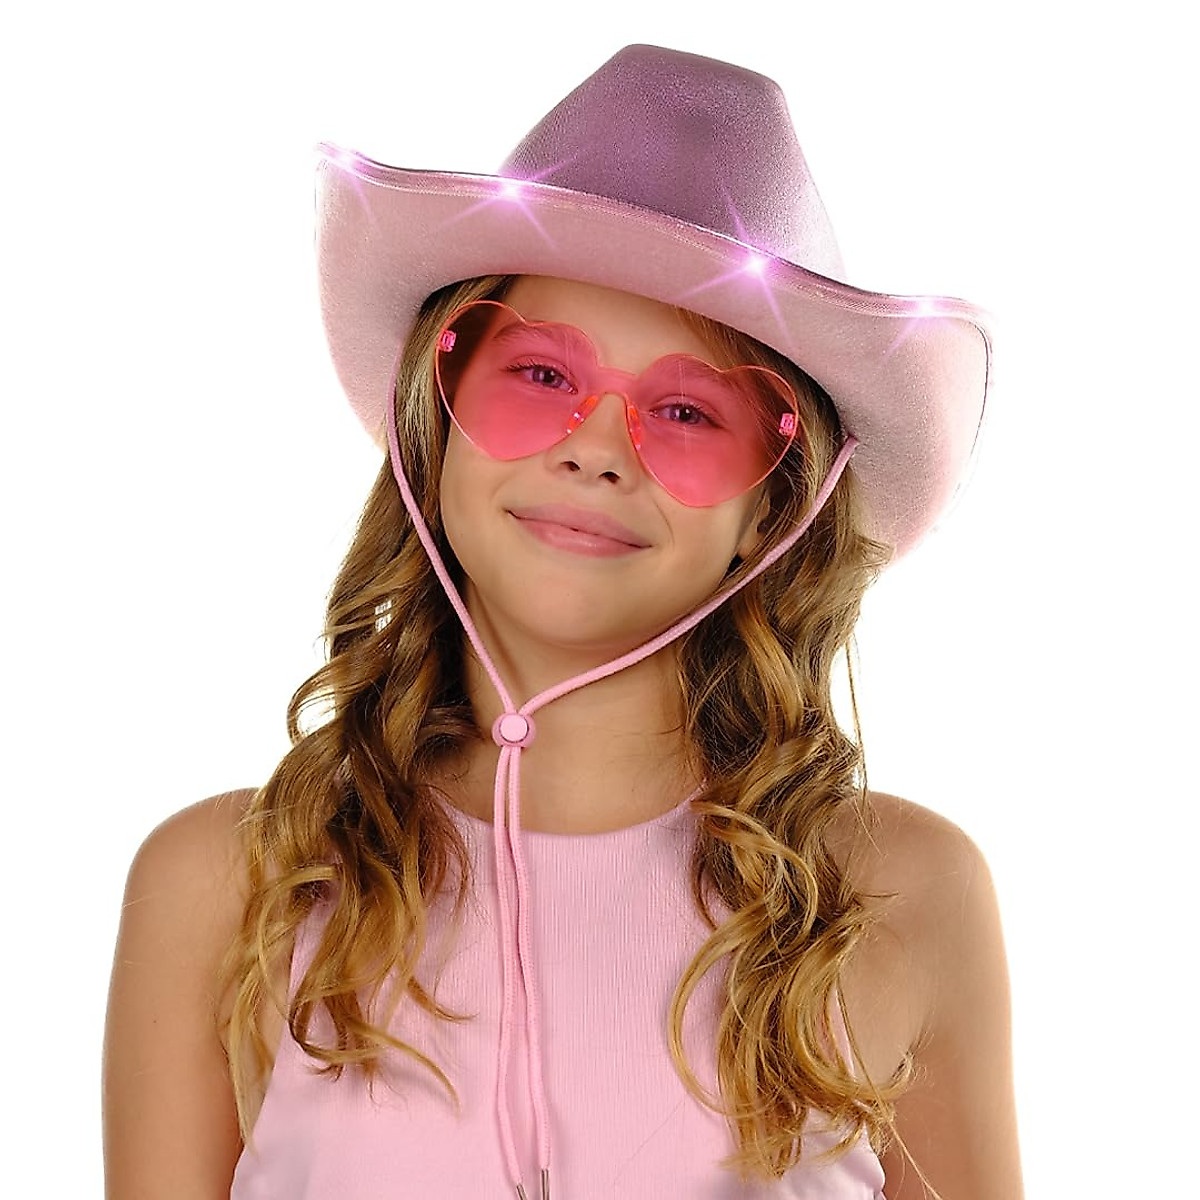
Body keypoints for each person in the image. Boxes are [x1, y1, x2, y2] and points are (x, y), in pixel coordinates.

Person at [102, 44, 1023, 1200]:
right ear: (437, 419)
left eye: (686, 412)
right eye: (540, 376)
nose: (596, 447)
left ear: (772, 510)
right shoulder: (228, 883)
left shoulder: (896, 894)